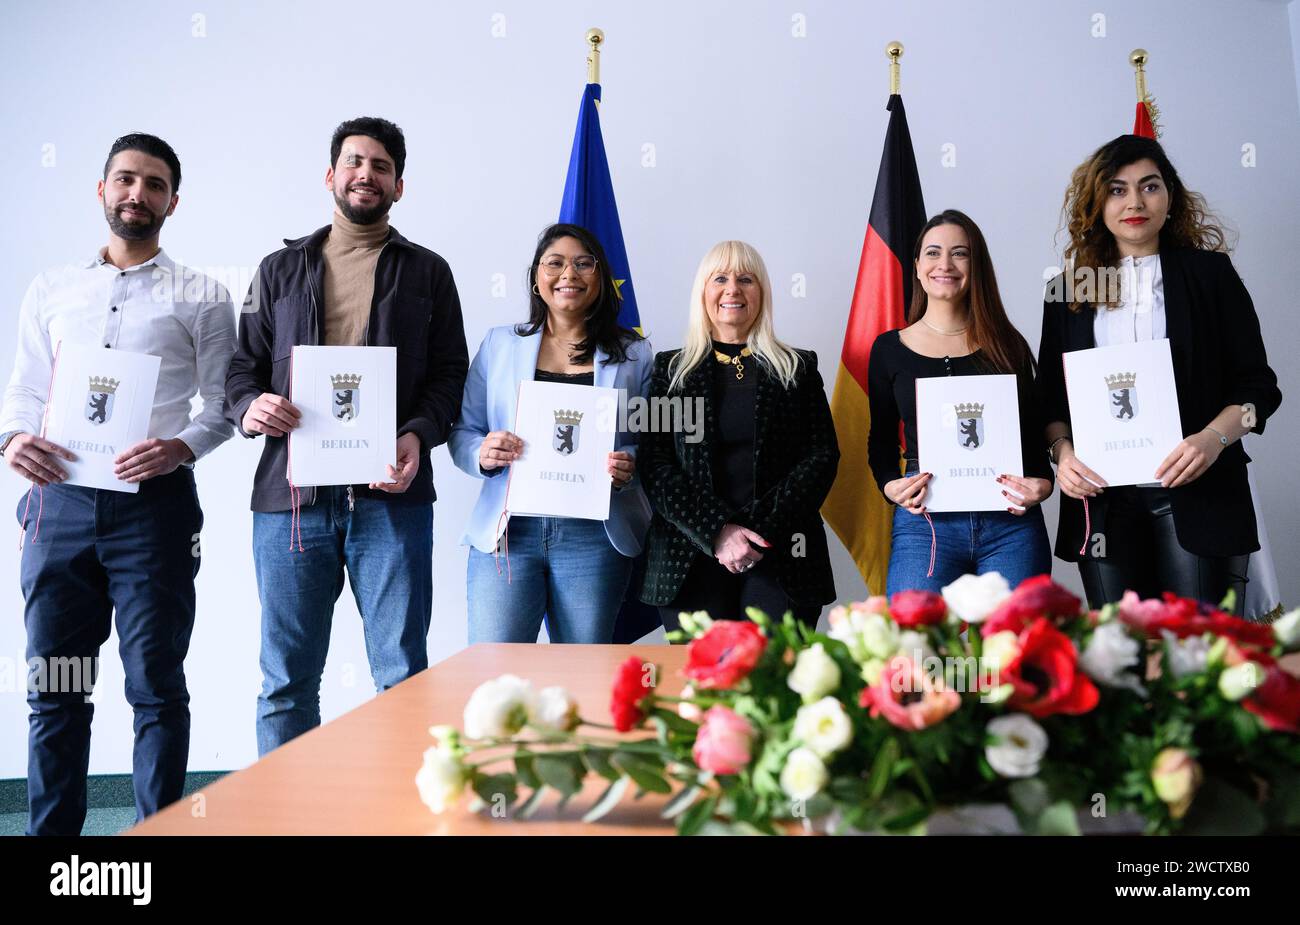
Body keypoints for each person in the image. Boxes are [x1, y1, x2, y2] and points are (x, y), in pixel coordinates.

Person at [0, 133, 236, 834]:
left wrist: (179, 448)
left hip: (153, 513)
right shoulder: (52, 288)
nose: (139, 194)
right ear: (102, 189)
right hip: (59, 507)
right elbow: (23, 391)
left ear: (173, 201)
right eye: (126, 179)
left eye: (154, 184)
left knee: (156, 687)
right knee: (57, 689)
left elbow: (223, 406)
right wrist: (14, 439)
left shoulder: (202, 295)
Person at [225, 117, 468, 755]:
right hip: (292, 502)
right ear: (331, 175)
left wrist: (417, 434)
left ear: (400, 185)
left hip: (393, 500)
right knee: (285, 681)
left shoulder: (429, 273)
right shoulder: (278, 270)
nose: (367, 174)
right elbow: (240, 369)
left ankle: (401, 817)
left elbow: (450, 377)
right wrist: (251, 407)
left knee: (402, 675)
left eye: (381, 166)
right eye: (355, 162)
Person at [1037, 134, 1281, 613]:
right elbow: (1050, 399)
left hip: (1199, 495)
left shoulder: (1210, 275)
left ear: (1170, 197)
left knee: (1195, 660)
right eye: (1116, 189)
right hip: (1104, 504)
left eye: (1149, 187)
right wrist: (1061, 455)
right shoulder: (1067, 289)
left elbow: (1259, 391)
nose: (1134, 202)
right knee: (1121, 659)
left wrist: (1214, 439)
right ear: (1097, 202)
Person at [449, 224, 652, 643]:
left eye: (583, 264)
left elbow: (649, 441)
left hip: (594, 536)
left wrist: (630, 463)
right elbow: (464, 432)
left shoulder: (634, 354)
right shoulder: (499, 344)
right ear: (536, 277)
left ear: (600, 277)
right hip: (508, 533)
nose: (568, 274)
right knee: (495, 677)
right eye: (555, 263)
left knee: (584, 679)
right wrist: (482, 454)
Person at [640, 240, 839, 632]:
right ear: (704, 293)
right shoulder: (669, 370)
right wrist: (718, 531)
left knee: (776, 684)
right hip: (689, 558)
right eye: (721, 278)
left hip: (781, 555)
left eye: (746, 279)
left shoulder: (798, 368)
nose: (733, 289)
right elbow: (654, 464)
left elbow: (821, 456)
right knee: (703, 689)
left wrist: (754, 532)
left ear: (761, 293)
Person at [868, 210, 1053, 596]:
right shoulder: (889, 349)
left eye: (960, 253)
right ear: (917, 266)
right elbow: (881, 440)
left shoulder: (1008, 345)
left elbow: (1032, 433)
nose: (945, 264)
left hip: (1010, 524)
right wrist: (890, 486)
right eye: (933, 253)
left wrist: (1044, 484)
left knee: (1016, 649)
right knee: (914, 647)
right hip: (926, 522)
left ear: (976, 265)